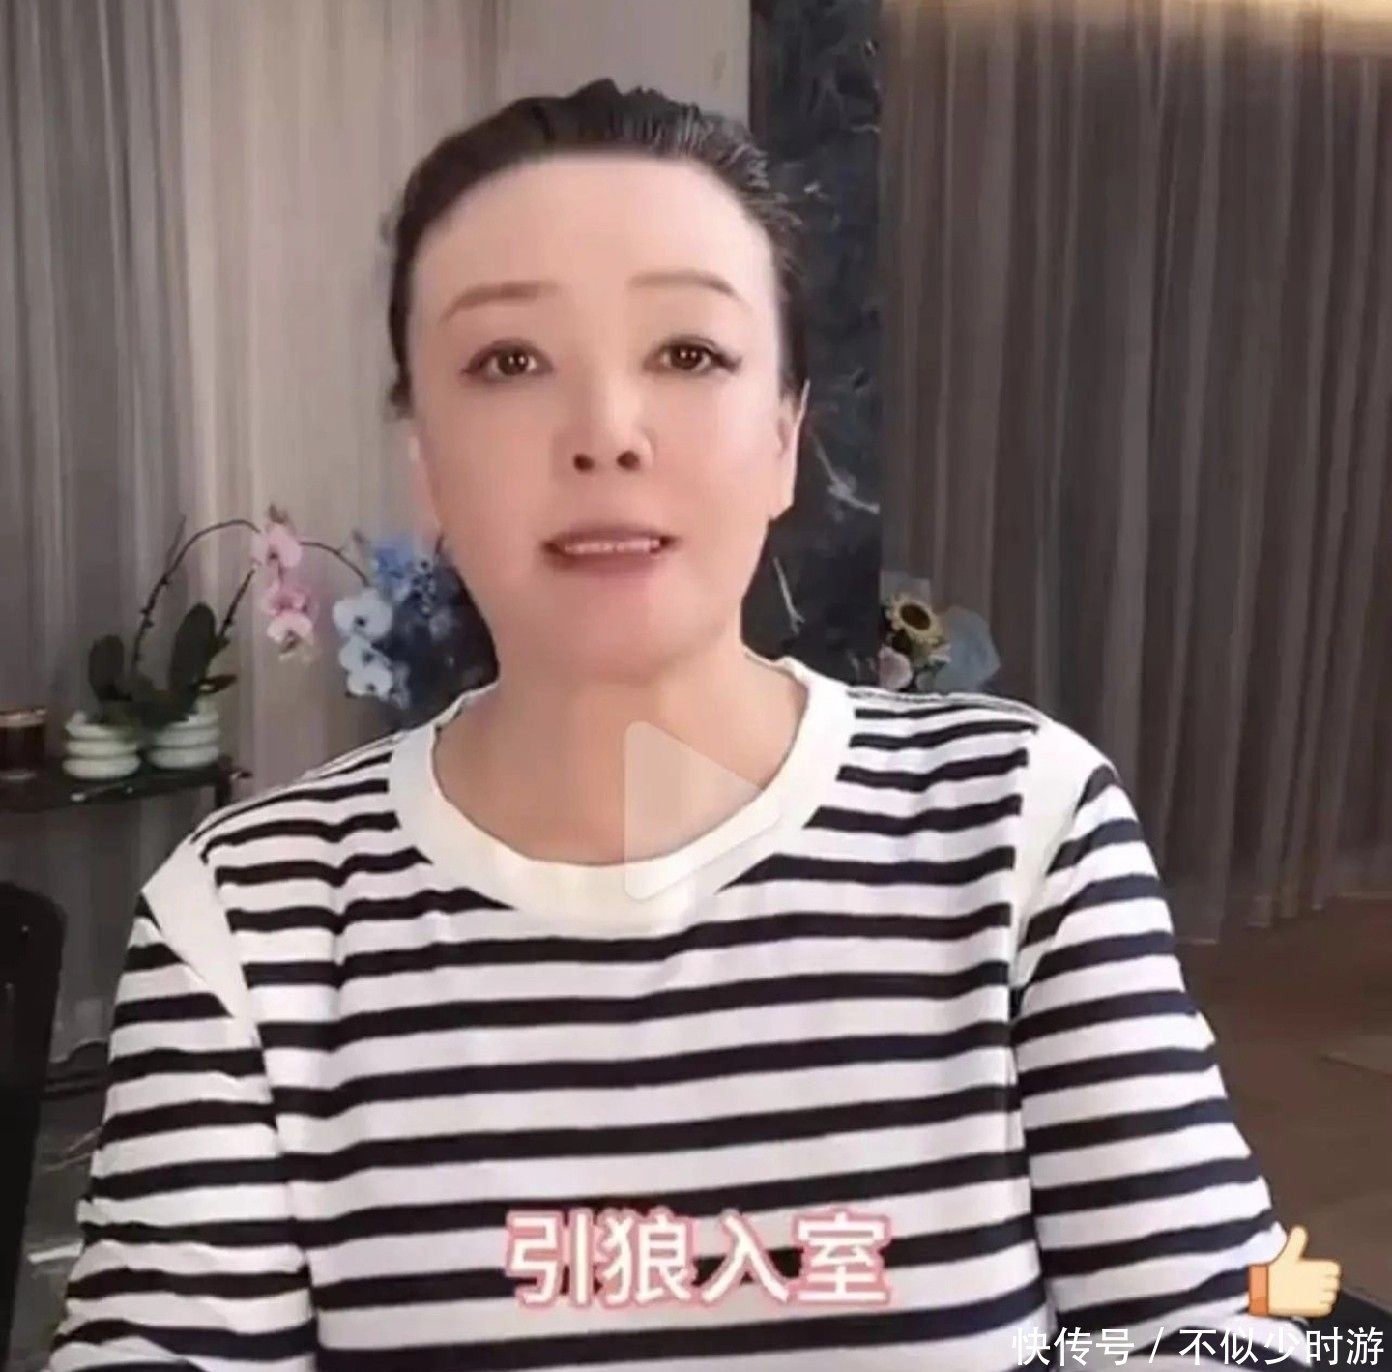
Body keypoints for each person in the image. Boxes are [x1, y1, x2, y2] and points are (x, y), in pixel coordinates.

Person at [48, 80, 1311, 1371]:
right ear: (424, 462)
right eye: (508, 362)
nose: (606, 434)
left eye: (690, 354)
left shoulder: (1019, 829)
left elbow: (1222, 1336)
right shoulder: (247, 920)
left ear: (786, 435)